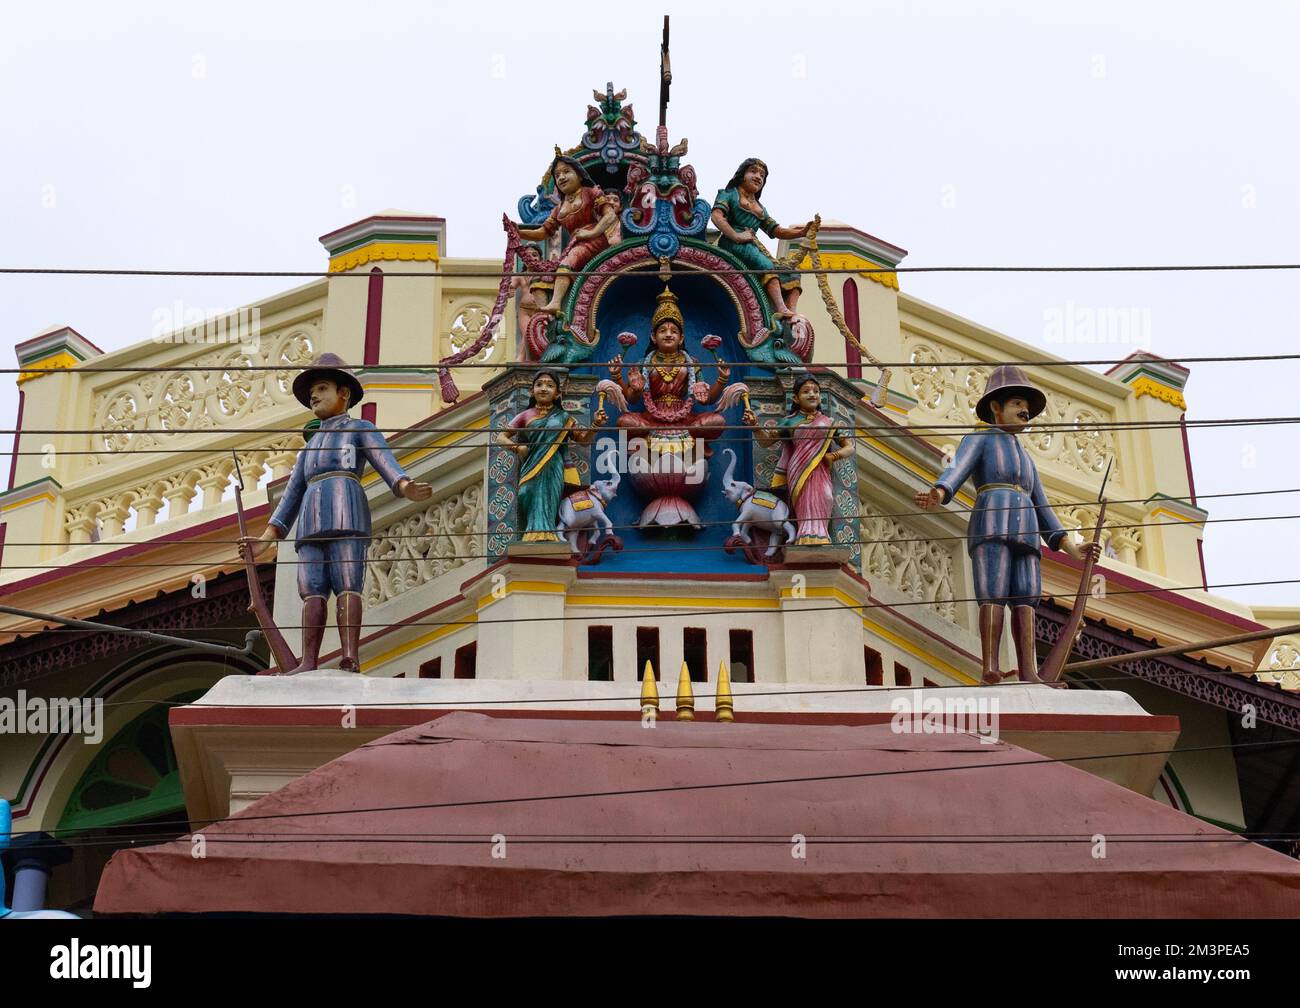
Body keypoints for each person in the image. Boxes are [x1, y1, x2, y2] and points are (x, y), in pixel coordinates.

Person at [239, 353, 432, 674]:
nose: (315, 395)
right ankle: (309, 661)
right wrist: (267, 539)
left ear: (344, 393)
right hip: (311, 523)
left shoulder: (359, 428)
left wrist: (404, 485)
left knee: (347, 582)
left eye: (323, 388)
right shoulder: (308, 449)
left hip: (348, 513)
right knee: (311, 589)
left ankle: (349, 655)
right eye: (313, 391)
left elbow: (385, 463)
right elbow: (290, 497)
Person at [913, 365, 1101, 685]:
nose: (1024, 410)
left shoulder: (1027, 461)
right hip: (991, 521)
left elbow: (1044, 508)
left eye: (1025, 406)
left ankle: (1029, 671)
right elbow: (957, 469)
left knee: (1027, 595)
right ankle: (991, 665)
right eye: (1016, 403)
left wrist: (1073, 549)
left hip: (1027, 530)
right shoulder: (982, 440)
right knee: (993, 590)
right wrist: (940, 491)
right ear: (995, 408)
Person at [606, 285, 730, 453]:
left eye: (674, 331)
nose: (668, 334)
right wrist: (618, 378)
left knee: (717, 421)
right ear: (653, 337)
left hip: (685, 419)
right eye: (662, 330)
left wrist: (721, 380)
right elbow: (632, 399)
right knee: (624, 422)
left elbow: (707, 399)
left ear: (681, 338)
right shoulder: (644, 363)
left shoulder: (691, 363)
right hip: (651, 418)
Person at [745, 372, 853, 545]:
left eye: (815, 391)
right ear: (795, 398)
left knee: (826, 497)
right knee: (804, 501)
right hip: (798, 467)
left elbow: (849, 447)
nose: (812, 394)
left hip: (821, 468)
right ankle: (805, 536)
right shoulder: (789, 421)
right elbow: (765, 442)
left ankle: (822, 536)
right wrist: (755, 426)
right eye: (806, 391)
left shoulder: (828, 421)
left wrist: (833, 455)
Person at [498, 368, 600, 541]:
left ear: (557, 393)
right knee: (525, 493)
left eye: (550, 385)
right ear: (531, 391)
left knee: (550, 499)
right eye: (539, 385)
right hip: (530, 467)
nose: (544, 388)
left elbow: (583, 440)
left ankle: (548, 534)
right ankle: (530, 533)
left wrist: (596, 424)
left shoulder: (563, 417)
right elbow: (501, 436)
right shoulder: (525, 415)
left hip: (554, 468)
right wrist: (517, 448)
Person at [515, 155, 619, 315]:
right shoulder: (559, 208)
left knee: (569, 261)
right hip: (576, 243)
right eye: (557, 175)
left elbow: (610, 215)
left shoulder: (591, 192)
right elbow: (543, 232)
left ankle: (555, 303)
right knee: (542, 277)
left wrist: (592, 232)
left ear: (578, 174)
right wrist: (518, 232)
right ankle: (544, 318)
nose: (561, 177)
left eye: (566, 172)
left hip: (595, 241)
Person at [711, 158, 814, 318]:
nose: (758, 176)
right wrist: (736, 236)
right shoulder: (729, 194)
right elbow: (717, 216)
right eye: (753, 171)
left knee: (792, 273)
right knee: (766, 265)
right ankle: (780, 308)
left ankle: (791, 313)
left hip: (752, 245)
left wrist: (801, 233)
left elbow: (776, 231)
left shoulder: (760, 208)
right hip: (732, 243)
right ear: (741, 174)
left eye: (762, 175)